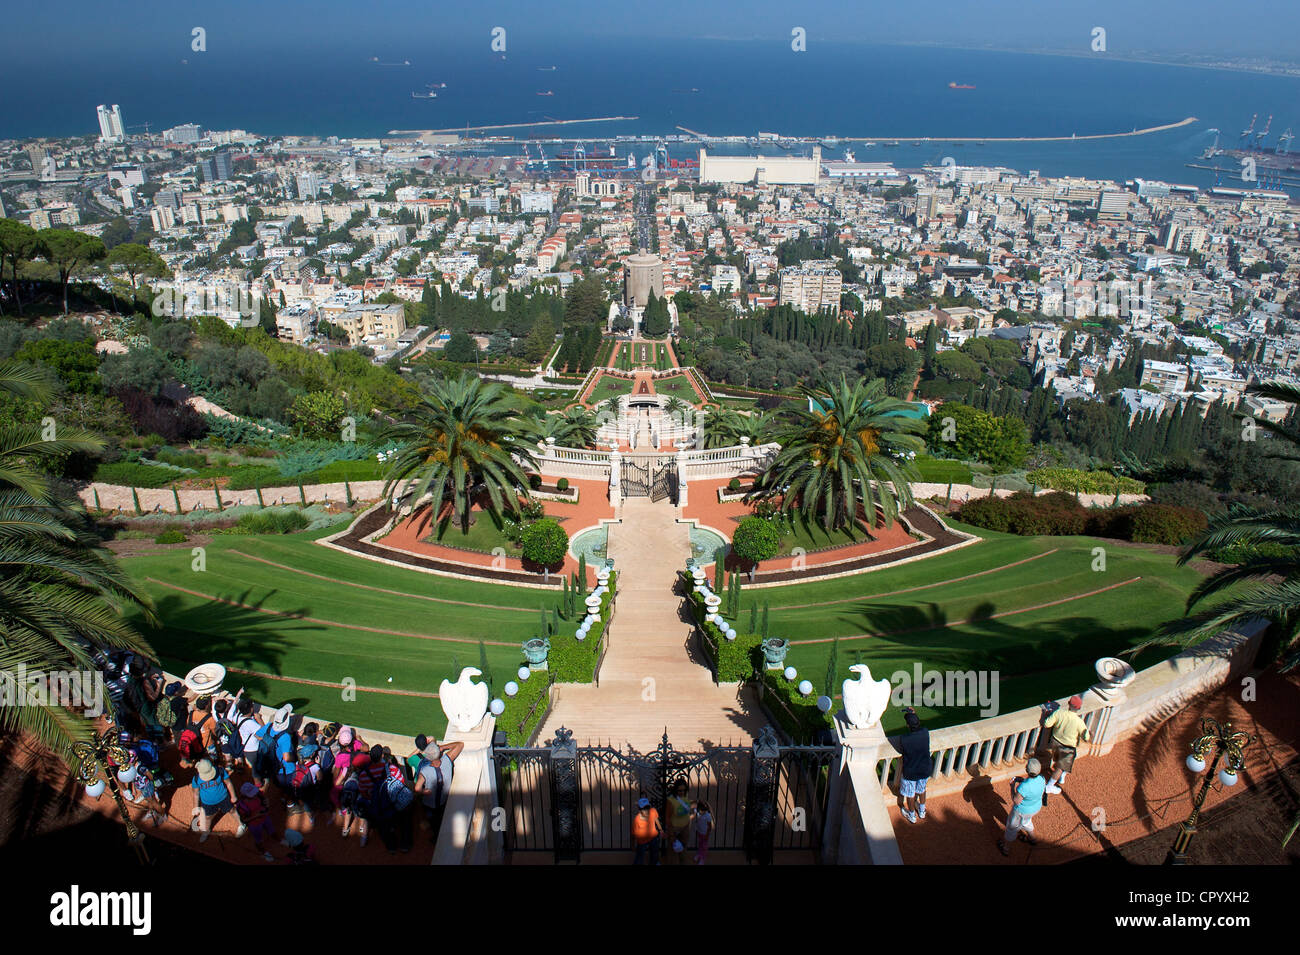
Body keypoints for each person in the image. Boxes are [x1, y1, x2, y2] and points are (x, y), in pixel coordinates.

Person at [411, 739, 464, 840]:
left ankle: (436, 837)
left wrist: (424, 791)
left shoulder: (425, 771)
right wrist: (443, 747)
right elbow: (460, 745)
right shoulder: (447, 760)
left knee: (434, 823)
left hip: (430, 803)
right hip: (445, 800)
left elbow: (417, 788)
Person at [998, 758, 1047, 857]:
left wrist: (1012, 787)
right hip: (1035, 808)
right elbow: (1033, 785)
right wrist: (1023, 781)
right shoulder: (1042, 778)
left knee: (1012, 828)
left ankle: (1006, 848)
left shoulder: (1024, 787)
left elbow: (1015, 800)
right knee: (1026, 822)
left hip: (1022, 811)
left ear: (1027, 770)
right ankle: (1033, 839)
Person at [1043, 696, 1090, 794]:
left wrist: (1047, 715)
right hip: (1068, 748)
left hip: (1055, 742)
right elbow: (1086, 738)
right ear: (1079, 708)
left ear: (1069, 703)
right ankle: (1049, 786)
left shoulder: (1059, 713)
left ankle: (1062, 776)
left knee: (1059, 762)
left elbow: (1047, 724)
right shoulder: (1079, 722)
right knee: (1060, 768)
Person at [898, 707, 934, 824]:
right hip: (925, 769)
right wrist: (913, 713)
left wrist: (911, 715)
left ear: (908, 726)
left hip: (911, 772)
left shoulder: (904, 739)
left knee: (910, 794)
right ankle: (922, 811)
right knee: (922, 790)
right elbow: (918, 726)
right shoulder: (925, 732)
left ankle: (912, 815)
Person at [190, 758, 236, 844]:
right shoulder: (196, 779)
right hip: (207, 803)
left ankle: (241, 824)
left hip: (223, 798)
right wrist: (196, 807)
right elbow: (196, 794)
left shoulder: (220, 771)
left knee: (231, 810)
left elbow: (228, 783)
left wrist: (233, 796)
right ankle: (206, 831)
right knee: (207, 817)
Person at [234, 782, 276, 861]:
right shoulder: (242, 806)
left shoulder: (258, 794)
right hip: (254, 825)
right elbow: (243, 820)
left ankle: (278, 839)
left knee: (271, 830)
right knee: (258, 840)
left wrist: (267, 802)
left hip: (265, 818)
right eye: (252, 794)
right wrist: (256, 815)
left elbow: (264, 800)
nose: (255, 795)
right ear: (245, 795)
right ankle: (263, 852)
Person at [665, 779, 694, 864]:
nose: (682, 792)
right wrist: (671, 834)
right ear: (675, 790)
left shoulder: (685, 796)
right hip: (675, 828)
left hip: (685, 827)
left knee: (683, 848)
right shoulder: (670, 801)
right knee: (673, 850)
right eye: (679, 790)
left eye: (684, 790)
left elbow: (687, 805)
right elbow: (667, 817)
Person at [631, 795, 662, 865]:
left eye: (647, 808)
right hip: (642, 841)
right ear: (639, 809)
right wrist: (632, 845)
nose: (646, 810)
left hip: (653, 837)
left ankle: (654, 862)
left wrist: (660, 830)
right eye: (644, 808)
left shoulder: (653, 811)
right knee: (640, 856)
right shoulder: (637, 820)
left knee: (655, 852)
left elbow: (656, 820)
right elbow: (633, 834)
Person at [692, 798, 714, 865]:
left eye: (704, 810)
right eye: (701, 810)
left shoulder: (707, 815)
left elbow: (709, 827)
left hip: (705, 834)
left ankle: (702, 859)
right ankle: (699, 854)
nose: (702, 812)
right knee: (700, 844)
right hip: (700, 832)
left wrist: (707, 835)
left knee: (704, 847)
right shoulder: (699, 813)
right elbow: (694, 806)